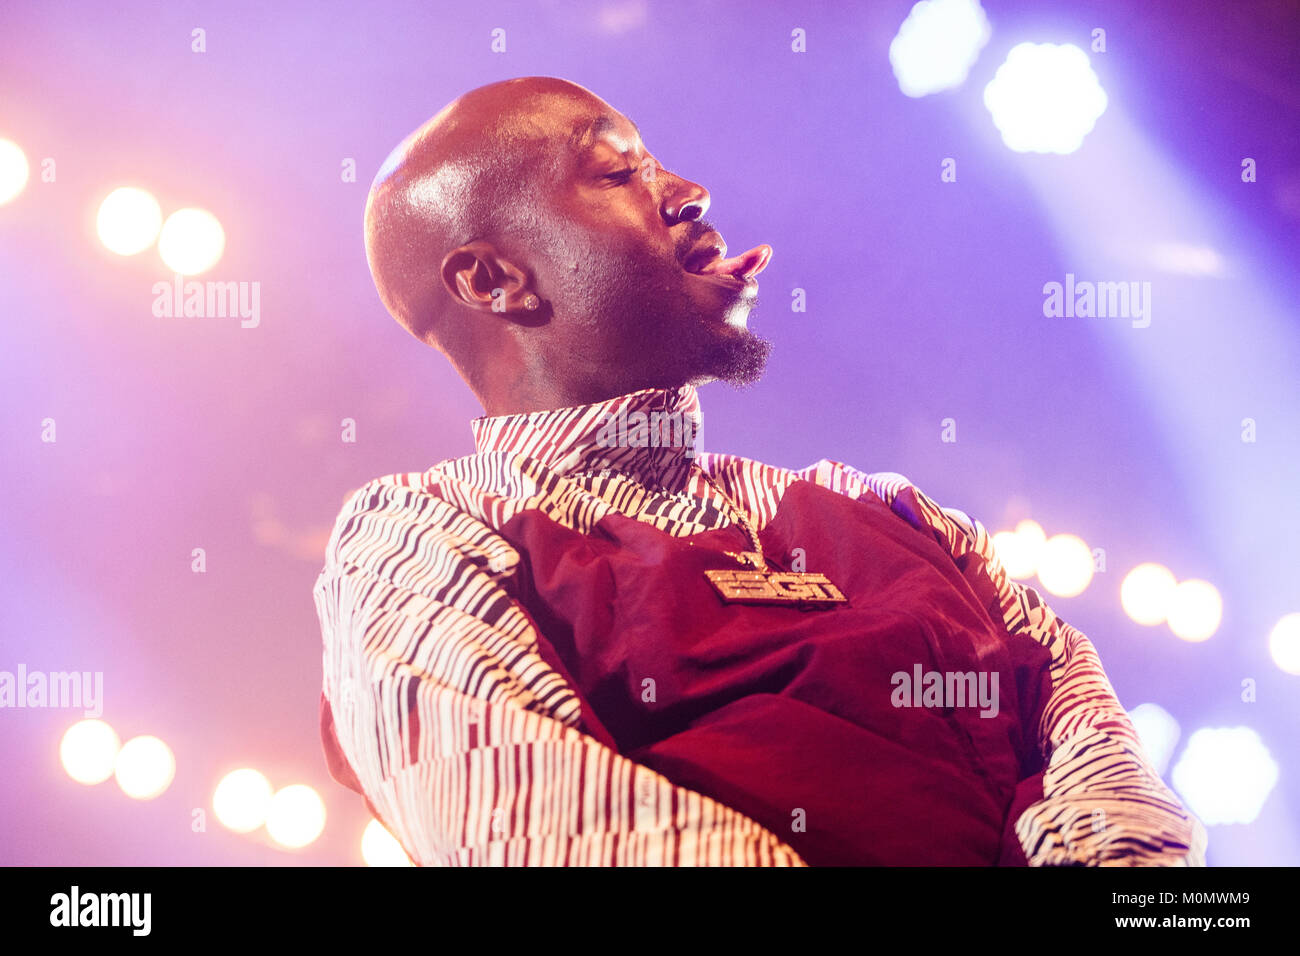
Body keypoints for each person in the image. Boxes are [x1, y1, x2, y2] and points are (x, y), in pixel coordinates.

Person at [312, 75, 1207, 866]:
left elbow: (1096, 756)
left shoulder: (891, 510)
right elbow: (536, 827)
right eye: (619, 172)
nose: (689, 193)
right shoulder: (419, 535)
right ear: (493, 279)